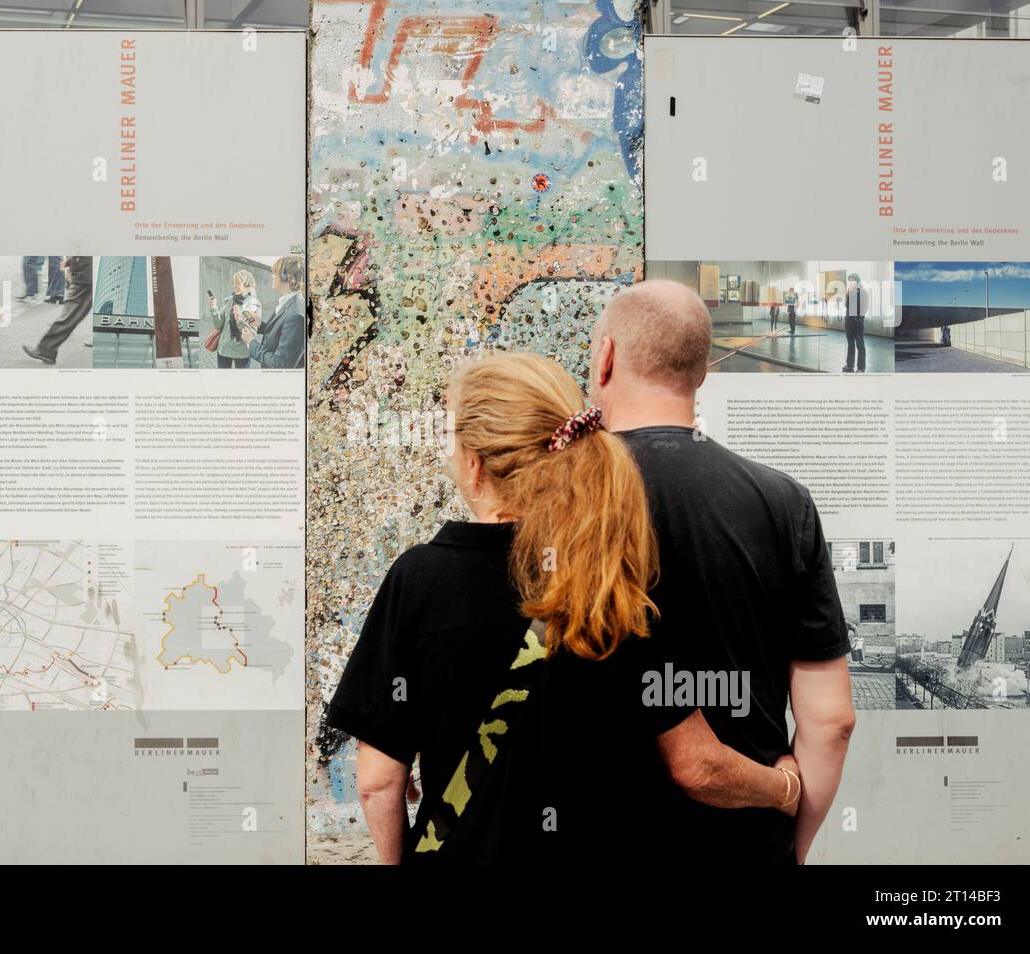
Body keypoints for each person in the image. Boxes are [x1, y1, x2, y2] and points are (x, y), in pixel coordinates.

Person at [327, 352, 804, 864]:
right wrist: (785, 788)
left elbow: (378, 782)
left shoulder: (417, 580)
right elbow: (696, 767)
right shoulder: (613, 584)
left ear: (474, 464)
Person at [589, 280, 855, 864]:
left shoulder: (566, 503)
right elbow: (831, 720)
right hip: (744, 844)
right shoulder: (785, 502)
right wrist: (791, 843)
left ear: (606, 358)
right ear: (703, 372)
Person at [23, 256, 92, 365]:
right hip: (91, 267)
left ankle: (46, 349)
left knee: (72, 310)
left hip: (87, 269)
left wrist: (72, 263)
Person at [241, 256, 305, 369]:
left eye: (275, 273)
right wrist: (261, 324)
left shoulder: (297, 315)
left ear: (288, 277)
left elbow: (279, 365)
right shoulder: (289, 301)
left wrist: (251, 342)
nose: (272, 276)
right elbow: (282, 332)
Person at [210, 269, 262, 369]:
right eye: (234, 283)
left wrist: (240, 318)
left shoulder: (254, 304)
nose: (234, 286)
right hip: (224, 350)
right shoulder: (229, 300)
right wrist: (214, 308)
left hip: (242, 352)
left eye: (238, 283)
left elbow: (252, 332)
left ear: (247, 284)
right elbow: (218, 325)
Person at [843, 273, 867, 373]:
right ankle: (849, 365)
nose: (850, 282)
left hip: (858, 322)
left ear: (857, 280)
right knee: (850, 344)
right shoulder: (849, 291)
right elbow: (846, 305)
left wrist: (859, 319)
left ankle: (861, 368)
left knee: (860, 345)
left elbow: (865, 307)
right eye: (849, 280)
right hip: (849, 321)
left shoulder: (863, 291)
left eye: (852, 280)